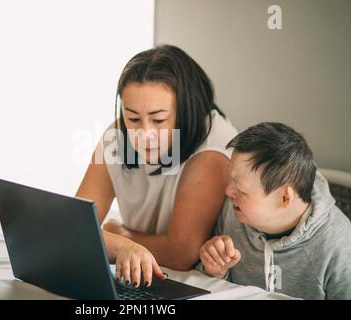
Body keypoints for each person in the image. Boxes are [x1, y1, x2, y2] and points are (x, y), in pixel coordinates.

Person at [76, 45, 237, 287]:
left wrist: (121, 234)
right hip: (139, 276)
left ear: (185, 111)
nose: (144, 134)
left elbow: (180, 254)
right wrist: (123, 246)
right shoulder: (117, 135)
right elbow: (76, 226)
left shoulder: (211, 149)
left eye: (158, 119)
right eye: (132, 118)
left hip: (188, 283)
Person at [198, 122, 351, 299]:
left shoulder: (338, 247)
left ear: (285, 198)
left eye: (240, 188)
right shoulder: (234, 212)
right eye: (231, 180)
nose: (228, 192)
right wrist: (215, 272)